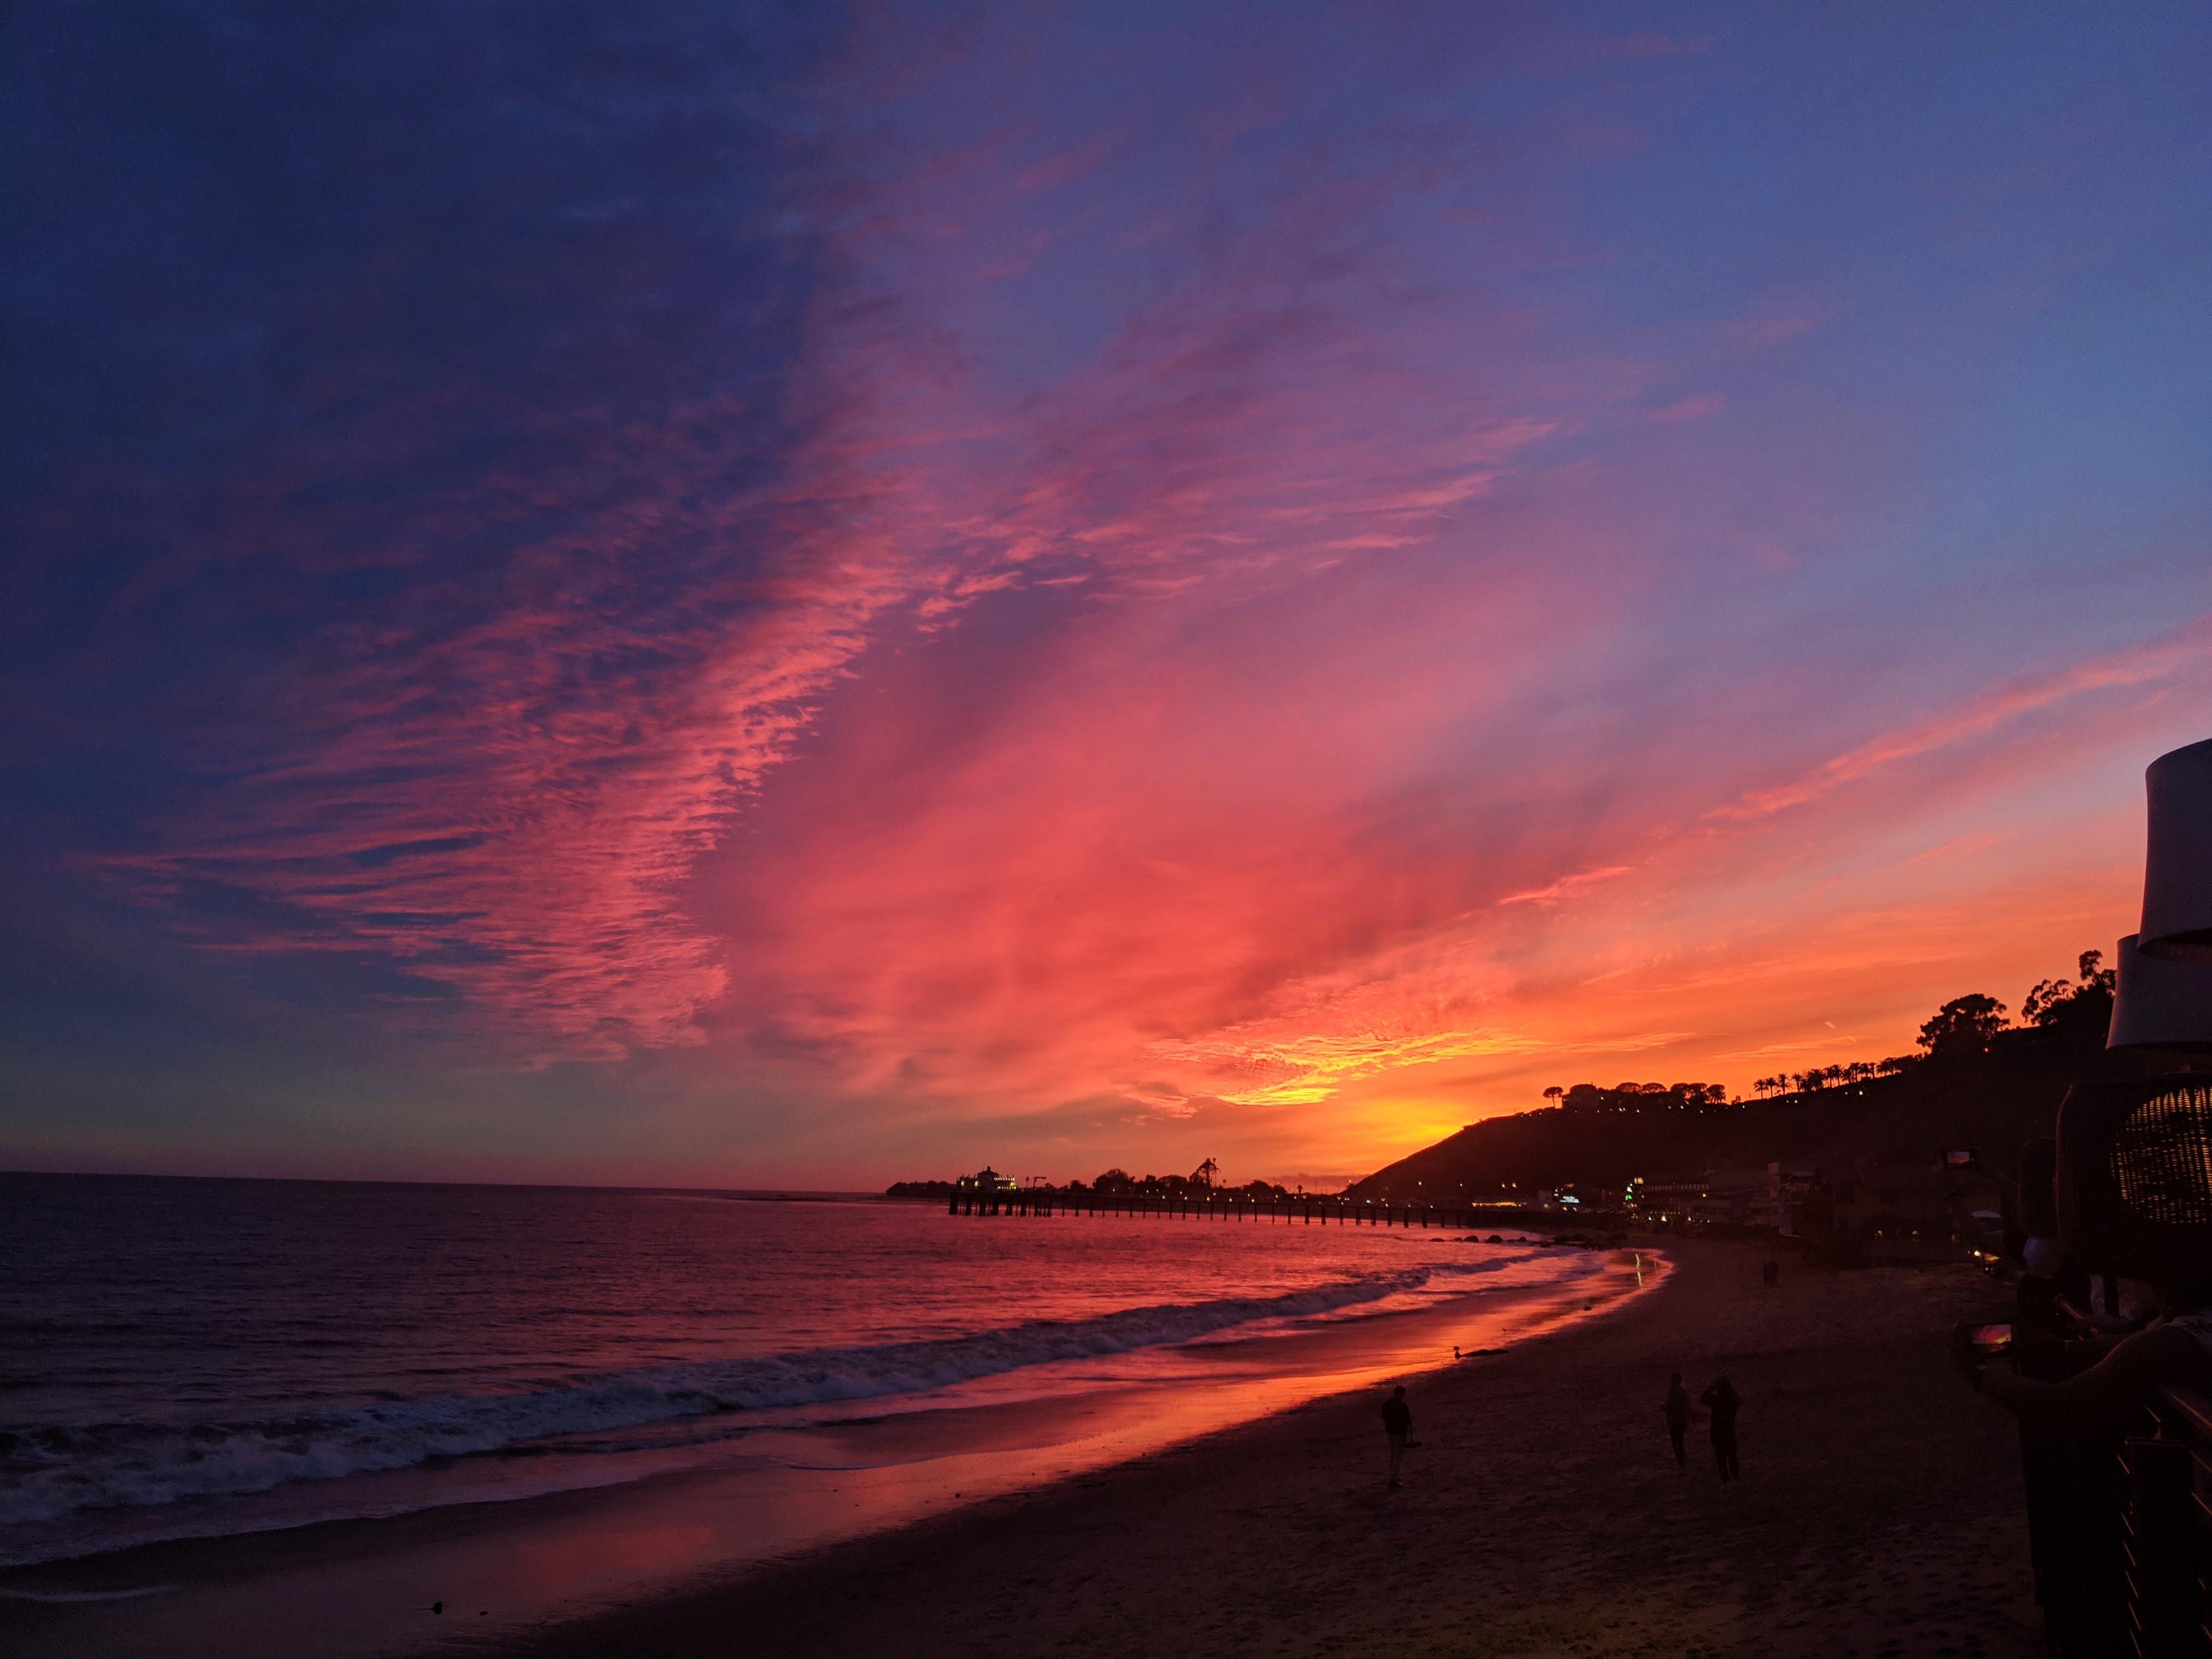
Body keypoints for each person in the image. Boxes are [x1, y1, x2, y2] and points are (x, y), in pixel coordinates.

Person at [1701, 1376, 1741, 1482]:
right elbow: (1738, 1399)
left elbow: (1703, 1399)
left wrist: (1709, 1388)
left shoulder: (1716, 1399)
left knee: (1721, 1459)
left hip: (1717, 1433)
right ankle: (1736, 1479)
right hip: (1729, 1432)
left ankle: (1726, 1481)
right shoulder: (1734, 1400)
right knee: (1732, 1457)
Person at [1381, 1384, 1412, 1488]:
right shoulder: (1403, 1406)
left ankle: (1392, 1476)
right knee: (1398, 1457)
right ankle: (1393, 1480)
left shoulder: (1387, 1404)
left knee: (1393, 1454)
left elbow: (1384, 1417)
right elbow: (1407, 1421)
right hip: (1400, 1433)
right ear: (1402, 1394)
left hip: (1390, 1432)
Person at [1662, 1371, 1691, 1469]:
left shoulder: (1673, 1392)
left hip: (1674, 1420)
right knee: (1680, 1440)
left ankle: (1681, 1461)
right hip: (1683, 1419)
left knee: (1676, 1442)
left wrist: (1664, 1408)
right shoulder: (1683, 1391)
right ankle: (1681, 1460)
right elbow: (1687, 1403)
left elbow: (1671, 1406)